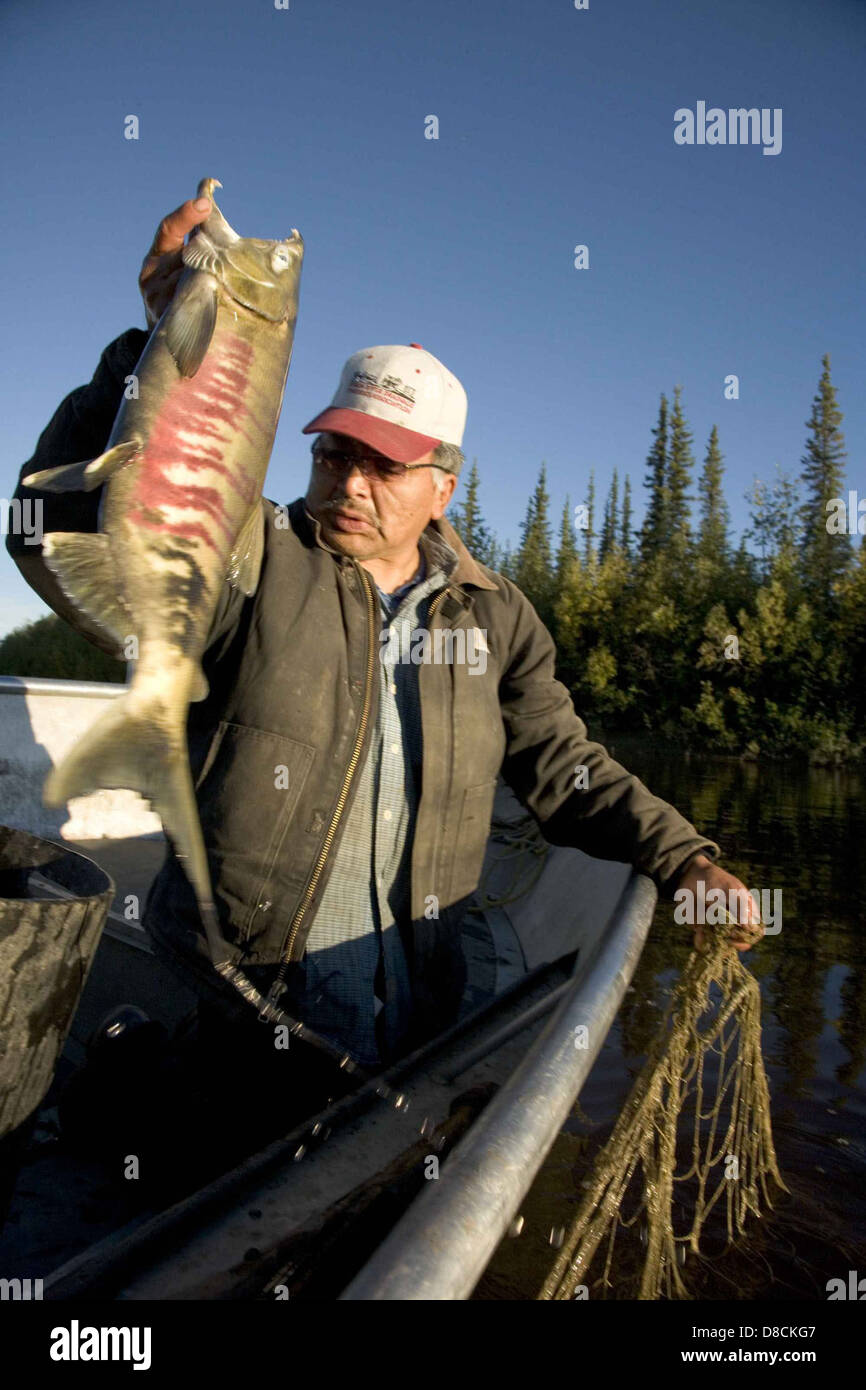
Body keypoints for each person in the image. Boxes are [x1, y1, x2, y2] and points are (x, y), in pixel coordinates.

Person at [7, 194, 762, 1134]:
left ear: (445, 483)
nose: (350, 482)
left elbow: (567, 772)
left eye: (385, 463)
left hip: (416, 999)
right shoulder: (255, 560)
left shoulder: (498, 617)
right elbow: (53, 529)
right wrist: (153, 347)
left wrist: (682, 856)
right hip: (253, 994)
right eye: (335, 453)